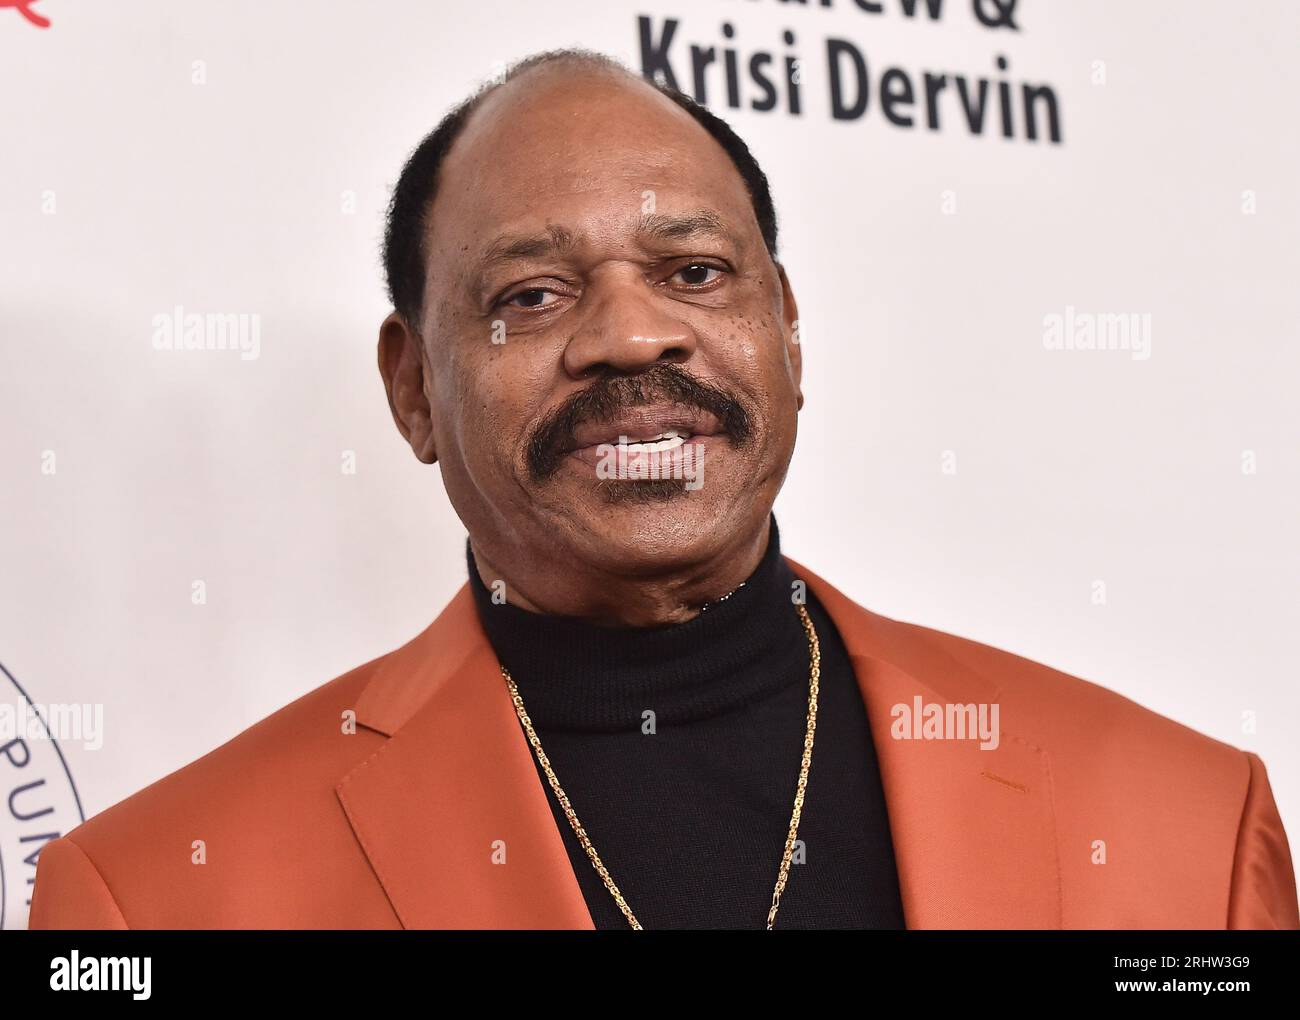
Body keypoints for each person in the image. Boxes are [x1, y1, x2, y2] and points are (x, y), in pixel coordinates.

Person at [28, 49, 1298, 930]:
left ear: (787, 332)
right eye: (531, 295)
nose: (632, 338)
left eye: (692, 273)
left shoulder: (1180, 823)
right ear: (413, 388)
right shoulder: (155, 896)